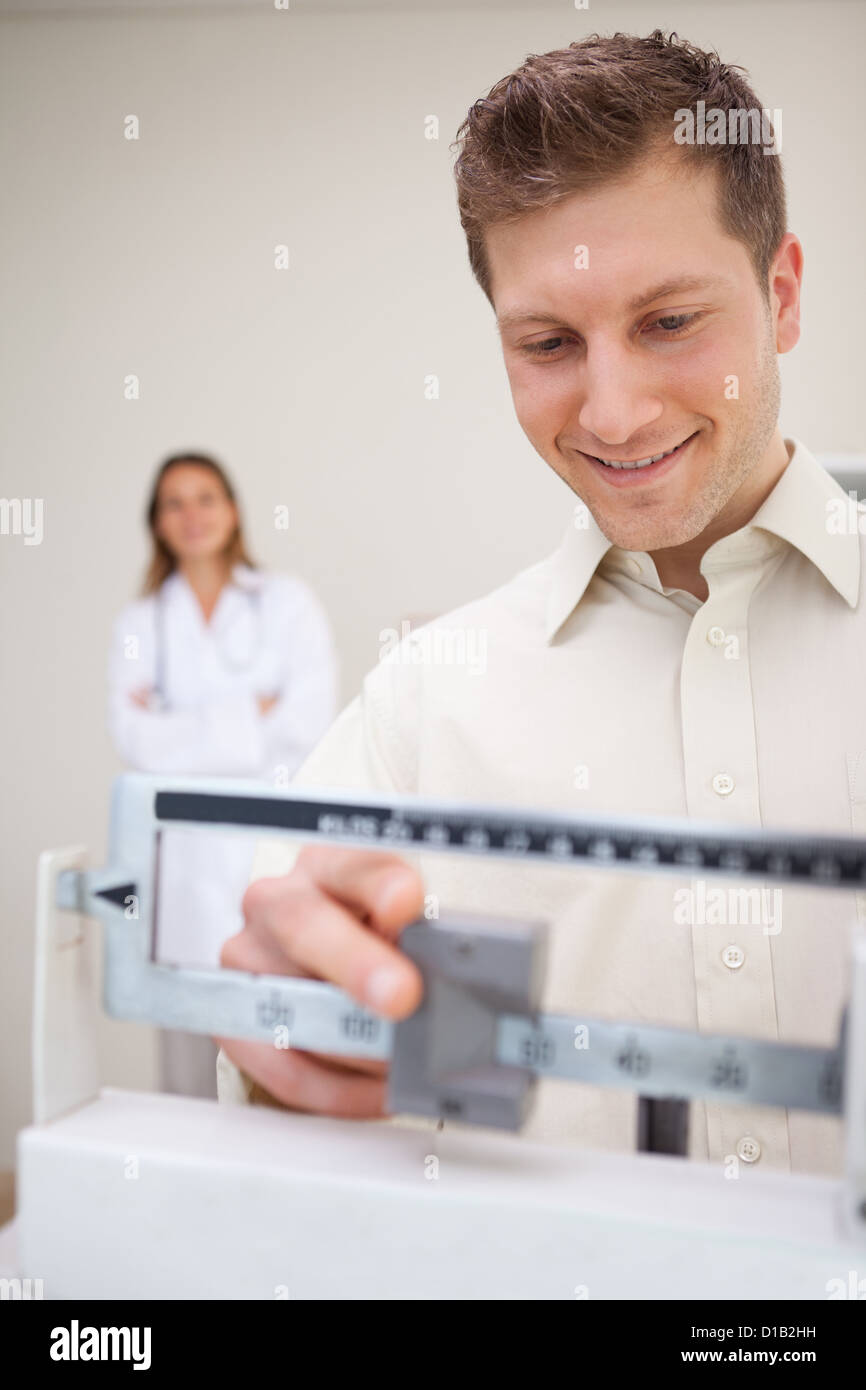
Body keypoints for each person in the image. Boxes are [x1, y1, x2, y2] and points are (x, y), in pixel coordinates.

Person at [214, 31, 861, 1176]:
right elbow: (291, 1079)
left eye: (668, 322)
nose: (609, 414)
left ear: (782, 294)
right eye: (548, 343)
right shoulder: (425, 706)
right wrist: (287, 1042)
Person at [108, 451, 337, 1096]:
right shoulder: (141, 622)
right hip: (177, 864)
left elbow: (306, 727)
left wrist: (183, 726)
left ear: (232, 510)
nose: (192, 515)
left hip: (264, 849)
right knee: (185, 1059)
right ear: (156, 522)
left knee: (273, 1050)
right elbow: (133, 739)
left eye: (205, 497)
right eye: (174, 503)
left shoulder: (287, 604)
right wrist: (249, 716)